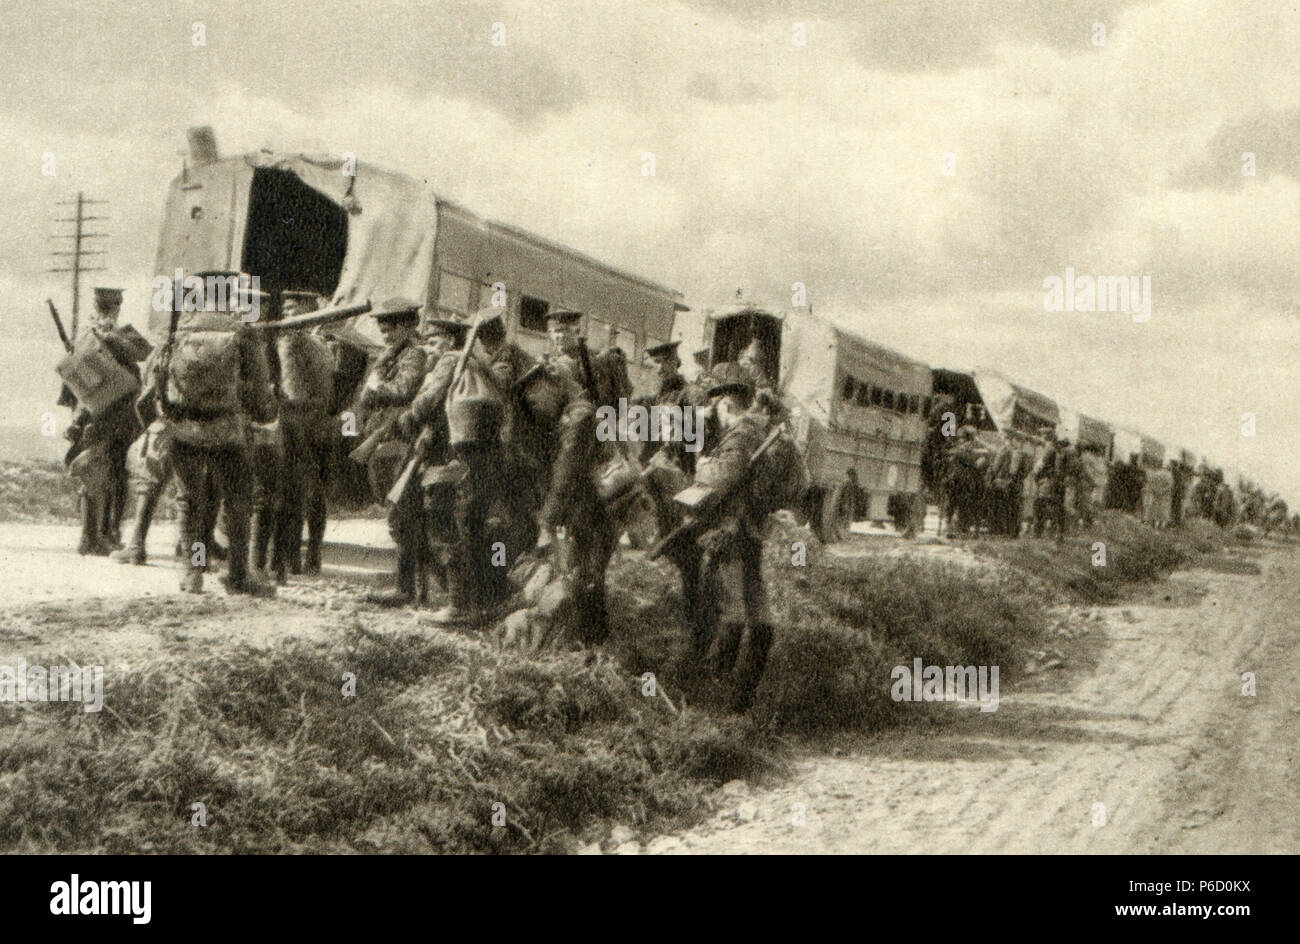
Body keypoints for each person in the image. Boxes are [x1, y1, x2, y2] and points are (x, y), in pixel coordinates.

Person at [154, 272, 276, 594]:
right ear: (229, 294)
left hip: (184, 430)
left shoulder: (178, 330)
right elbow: (261, 397)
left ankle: (194, 572)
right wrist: (260, 410)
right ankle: (237, 575)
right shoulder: (241, 331)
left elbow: (156, 378)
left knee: (190, 502)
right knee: (237, 500)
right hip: (227, 431)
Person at [665, 362, 776, 712]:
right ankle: (737, 699)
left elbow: (716, 483)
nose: (711, 411)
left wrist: (700, 459)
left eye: (714, 404)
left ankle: (713, 696)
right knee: (756, 617)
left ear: (727, 402)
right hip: (749, 531)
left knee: (724, 613)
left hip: (731, 534)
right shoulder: (758, 431)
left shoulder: (741, 436)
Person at [352, 298, 429, 605]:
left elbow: (403, 391)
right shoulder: (391, 355)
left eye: (393, 326)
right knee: (398, 514)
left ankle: (407, 589)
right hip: (386, 437)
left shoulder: (414, 354)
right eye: (383, 327)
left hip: (401, 439)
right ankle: (413, 588)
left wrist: (374, 388)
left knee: (404, 515)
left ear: (409, 325)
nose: (386, 332)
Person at [64, 287, 145, 555]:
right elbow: (141, 354)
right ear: (114, 305)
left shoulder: (86, 334)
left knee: (96, 472)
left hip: (92, 413)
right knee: (107, 473)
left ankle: (98, 535)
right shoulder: (108, 335)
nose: (117, 308)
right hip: (109, 415)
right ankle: (99, 536)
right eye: (116, 303)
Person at [272, 290, 339, 577]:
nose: (287, 315)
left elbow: (292, 391)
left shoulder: (292, 340)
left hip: (297, 423)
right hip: (322, 424)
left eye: (293, 310)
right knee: (315, 493)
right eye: (285, 310)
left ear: (309, 311)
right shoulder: (325, 343)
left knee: (291, 491)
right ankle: (312, 555)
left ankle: (287, 560)